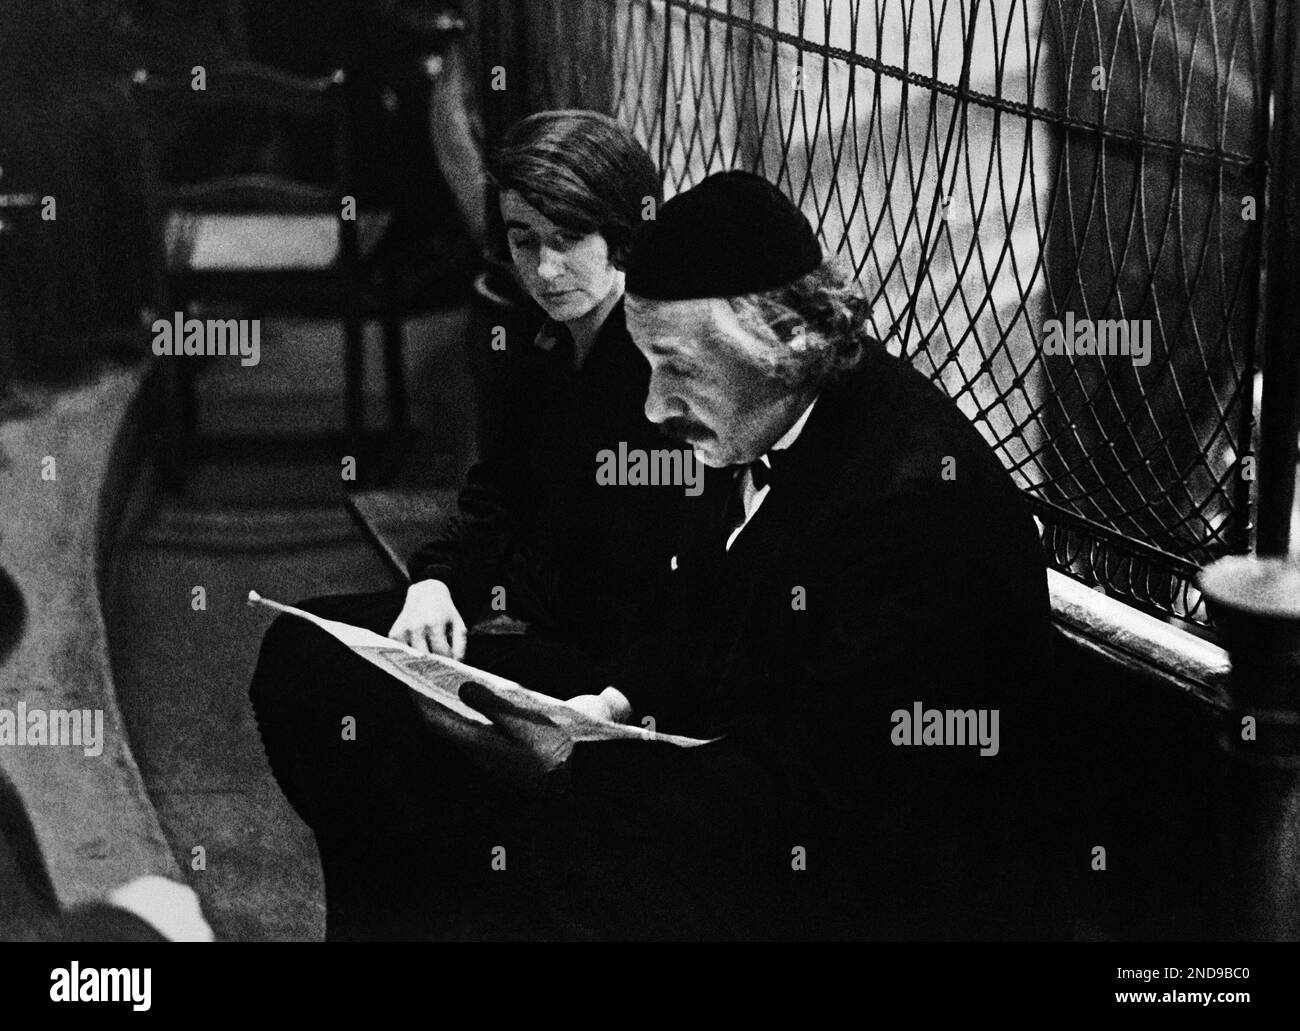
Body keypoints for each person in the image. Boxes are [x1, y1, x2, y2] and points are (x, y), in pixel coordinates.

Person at [249, 110, 697, 939]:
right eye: (524, 239)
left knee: (374, 715)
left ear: (625, 230)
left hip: (601, 668)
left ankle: (428, 909)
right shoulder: (545, 337)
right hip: (523, 613)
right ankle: (406, 903)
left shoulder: (657, 366)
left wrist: (489, 592)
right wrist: (433, 581)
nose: (546, 267)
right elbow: (493, 497)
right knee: (301, 654)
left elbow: (622, 574)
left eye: (570, 238)